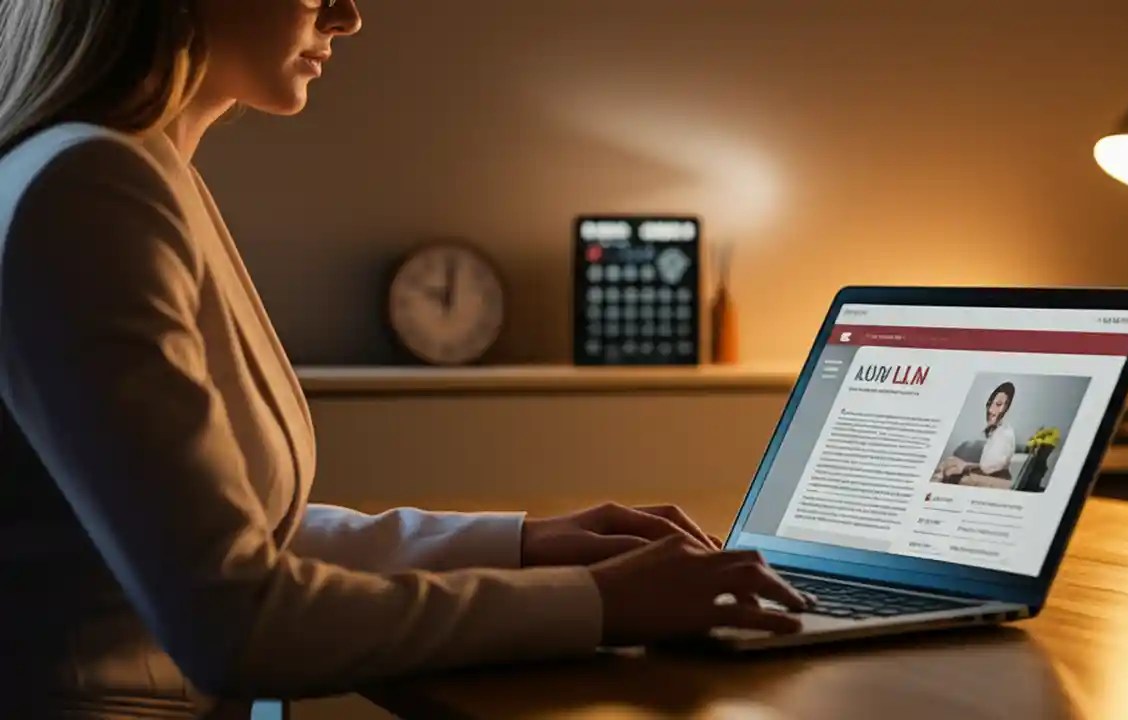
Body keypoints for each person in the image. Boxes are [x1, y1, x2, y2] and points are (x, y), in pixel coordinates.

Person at [0, 2, 808, 716]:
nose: (347, 15)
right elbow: (233, 622)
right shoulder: (91, 190)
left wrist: (526, 545)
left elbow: (233, 540)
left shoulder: (137, 175)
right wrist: (598, 603)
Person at [934, 381, 1018, 484]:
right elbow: (987, 466)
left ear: (1007, 407)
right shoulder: (999, 432)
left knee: (949, 470)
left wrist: (965, 468)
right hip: (990, 474)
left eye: (998, 404)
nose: (991, 410)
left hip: (994, 481)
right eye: (989, 404)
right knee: (950, 462)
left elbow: (988, 468)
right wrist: (964, 466)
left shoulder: (1005, 434)